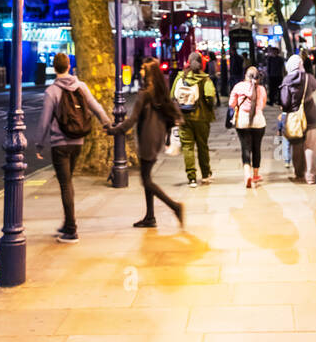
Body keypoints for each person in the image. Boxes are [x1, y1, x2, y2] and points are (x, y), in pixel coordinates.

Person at [35, 51, 112, 243]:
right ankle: (67, 223)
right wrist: (106, 123)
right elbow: (95, 106)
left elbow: (44, 121)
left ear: (54, 68)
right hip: (78, 141)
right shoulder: (81, 87)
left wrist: (39, 144)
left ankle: (71, 229)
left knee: (65, 184)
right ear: (69, 66)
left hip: (59, 144)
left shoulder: (52, 91)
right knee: (68, 183)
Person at [107, 58, 184, 229]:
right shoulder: (159, 91)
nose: (140, 71)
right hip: (156, 137)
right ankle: (150, 217)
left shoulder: (145, 93)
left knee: (146, 181)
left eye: (143, 69)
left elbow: (132, 119)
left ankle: (175, 207)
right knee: (146, 177)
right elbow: (169, 116)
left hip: (147, 139)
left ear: (149, 72)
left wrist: (115, 130)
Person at [170, 52, 216, 187]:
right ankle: (206, 174)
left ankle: (191, 178)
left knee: (188, 148)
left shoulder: (180, 77)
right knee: (202, 146)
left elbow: (172, 95)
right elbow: (210, 97)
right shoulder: (204, 78)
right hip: (201, 118)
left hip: (184, 118)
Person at [279, 53, 316, 185]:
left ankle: (299, 174)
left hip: (294, 120)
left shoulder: (286, 81)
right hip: (311, 117)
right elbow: (315, 86)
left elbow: (284, 102)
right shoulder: (308, 78)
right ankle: (311, 176)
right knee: (311, 146)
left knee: (296, 146)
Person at [229, 65, 267, 188]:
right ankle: (256, 175)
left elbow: (231, 104)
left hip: (242, 121)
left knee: (245, 148)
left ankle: (247, 175)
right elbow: (262, 105)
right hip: (258, 121)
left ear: (245, 75)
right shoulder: (261, 89)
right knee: (257, 148)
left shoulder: (238, 87)